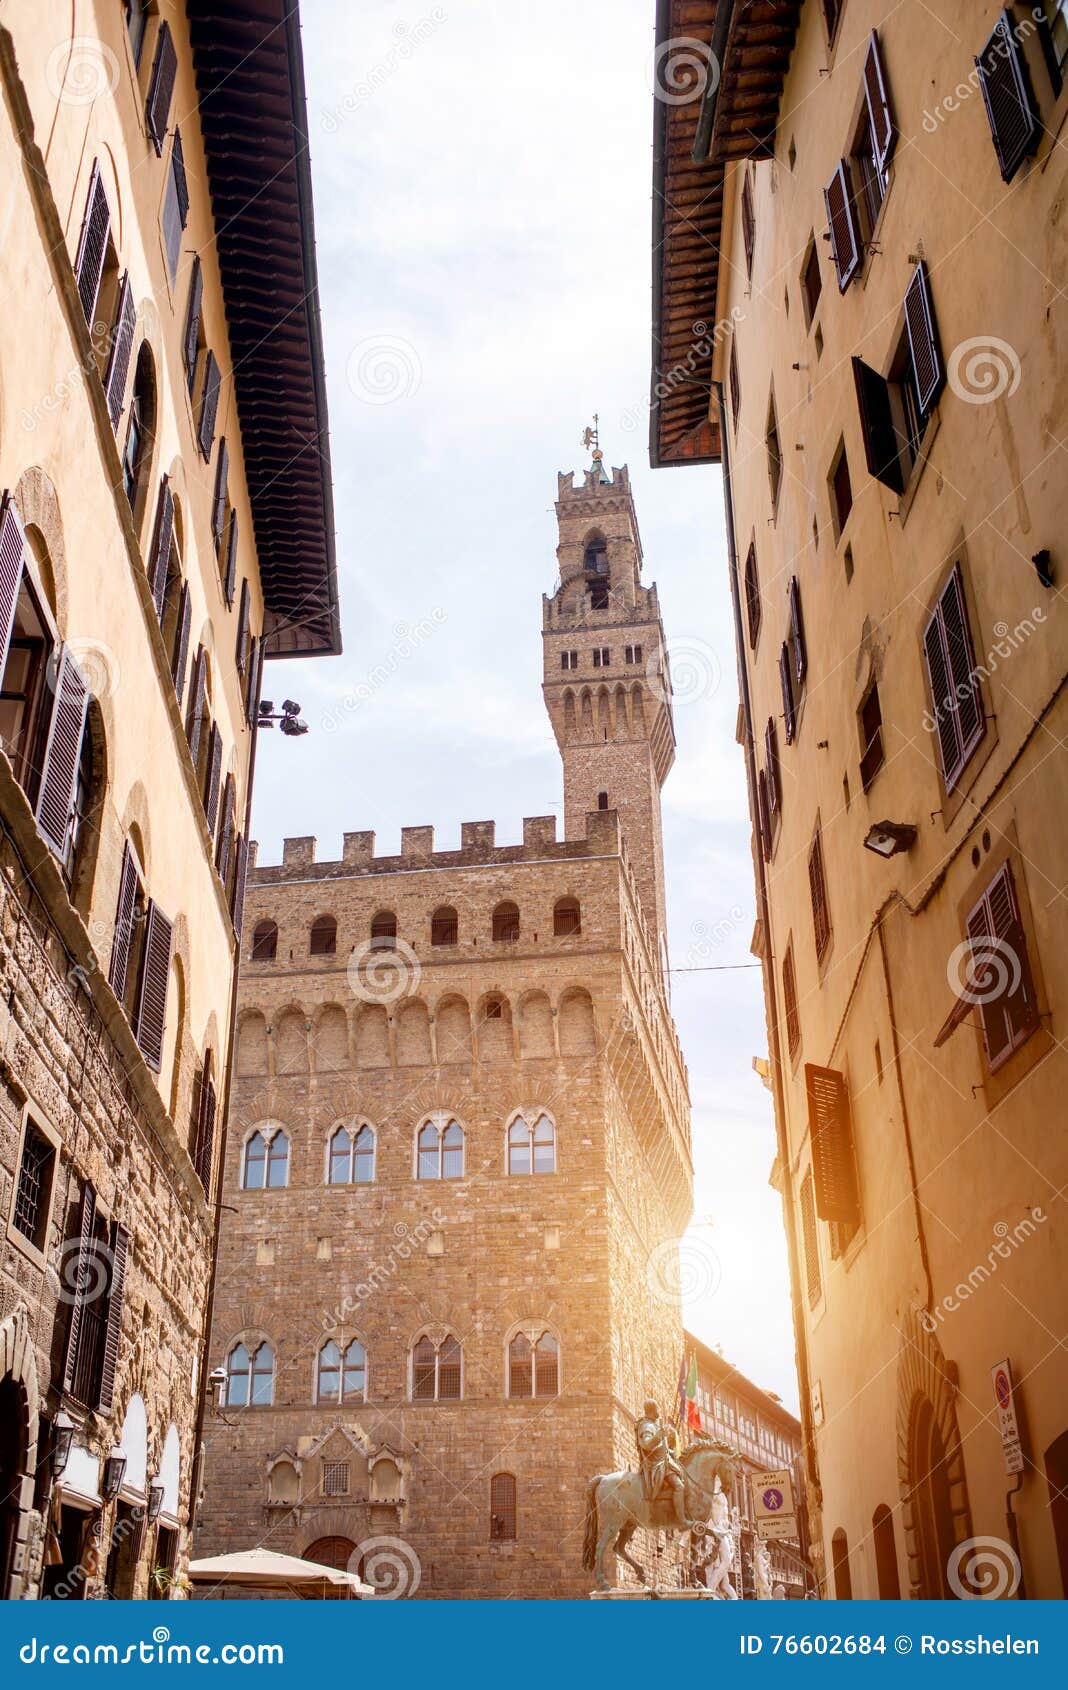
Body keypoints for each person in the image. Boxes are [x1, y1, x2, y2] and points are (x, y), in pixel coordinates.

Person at [635, 1400, 688, 1529]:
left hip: (664, 1460)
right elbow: (646, 1444)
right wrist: (658, 1436)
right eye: (658, 1408)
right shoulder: (647, 1426)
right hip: (656, 1464)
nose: (659, 1411)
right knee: (679, 1486)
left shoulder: (655, 1425)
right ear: (653, 1410)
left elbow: (661, 1447)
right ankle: (682, 1521)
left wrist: (671, 1451)